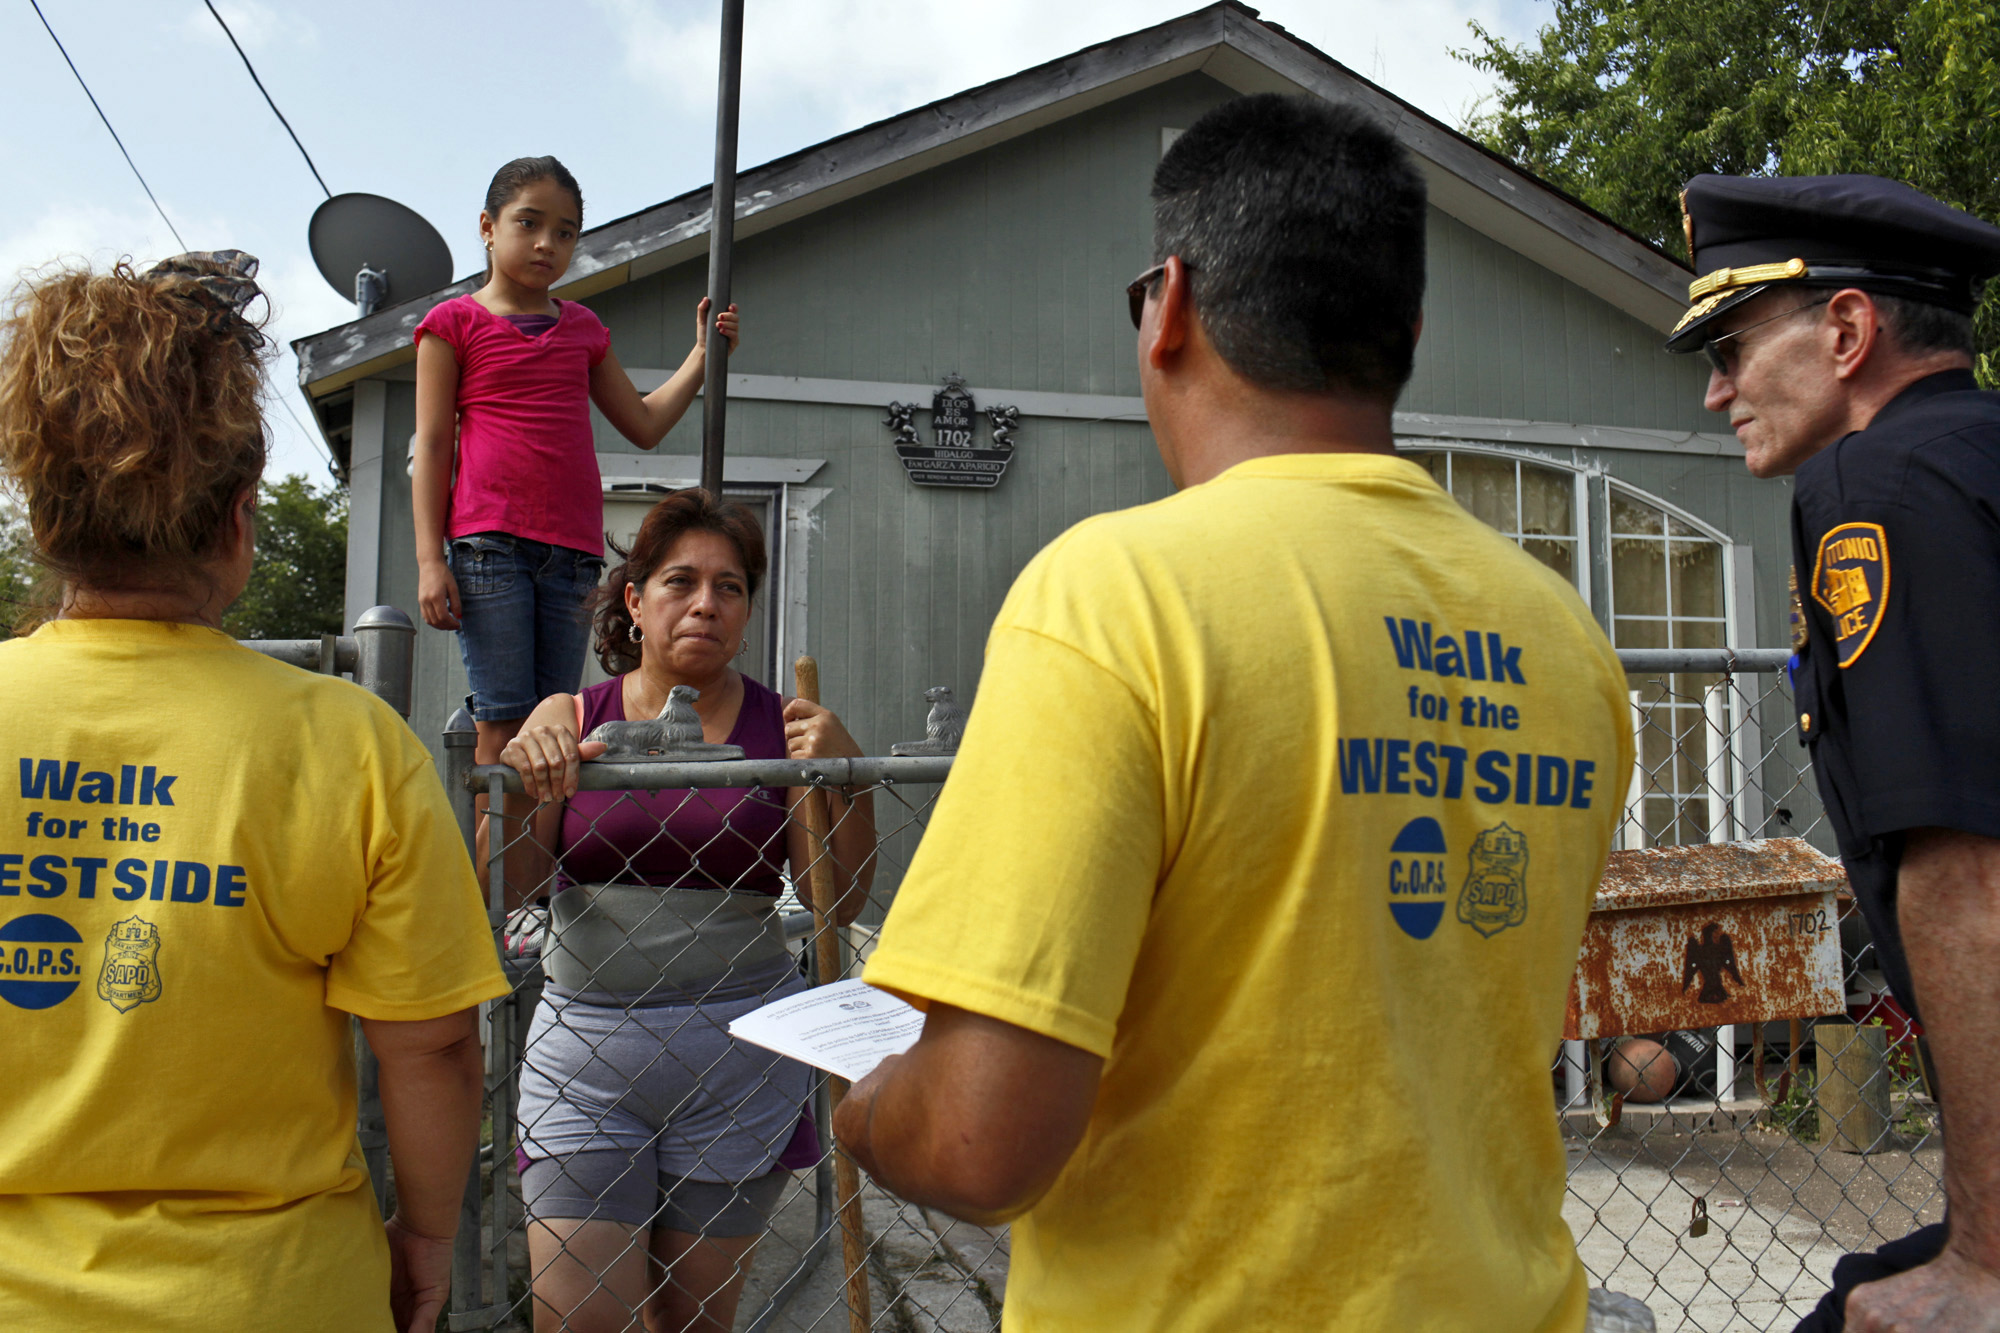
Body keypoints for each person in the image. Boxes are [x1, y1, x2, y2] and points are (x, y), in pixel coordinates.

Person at [832, 94, 1634, 1329]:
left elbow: (977, 1141)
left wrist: (868, 1104)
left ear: (1172, 307)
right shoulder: (1565, 635)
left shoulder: (1116, 596)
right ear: (1404, 329)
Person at [0, 252, 506, 1333]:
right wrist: (425, 1235)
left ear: (42, 516)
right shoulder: (345, 741)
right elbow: (430, 1046)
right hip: (274, 1295)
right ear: (237, 525)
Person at [1665, 173, 2000, 1333]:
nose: (1714, 393)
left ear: (1847, 331)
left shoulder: (1876, 483)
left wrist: (1983, 1262)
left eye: (1730, 347)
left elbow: (1965, 868)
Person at [487, 488, 876, 1333]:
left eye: (730, 586)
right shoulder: (573, 719)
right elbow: (508, 883)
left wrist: (848, 780)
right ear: (634, 599)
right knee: (582, 1318)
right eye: (680, 581)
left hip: (737, 1059)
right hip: (586, 1056)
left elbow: (834, 899)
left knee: (694, 1322)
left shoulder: (789, 727)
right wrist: (521, 782)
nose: (706, 602)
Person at [412, 155, 740, 771]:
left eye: (565, 233)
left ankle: (536, 866)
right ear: (487, 225)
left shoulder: (582, 328)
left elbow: (643, 425)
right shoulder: (451, 324)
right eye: (529, 223)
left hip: (571, 556)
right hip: (490, 548)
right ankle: (493, 867)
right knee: (505, 719)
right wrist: (432, 560)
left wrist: (701, 355)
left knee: (554, 718)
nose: (546, 244)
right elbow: (432, 445)